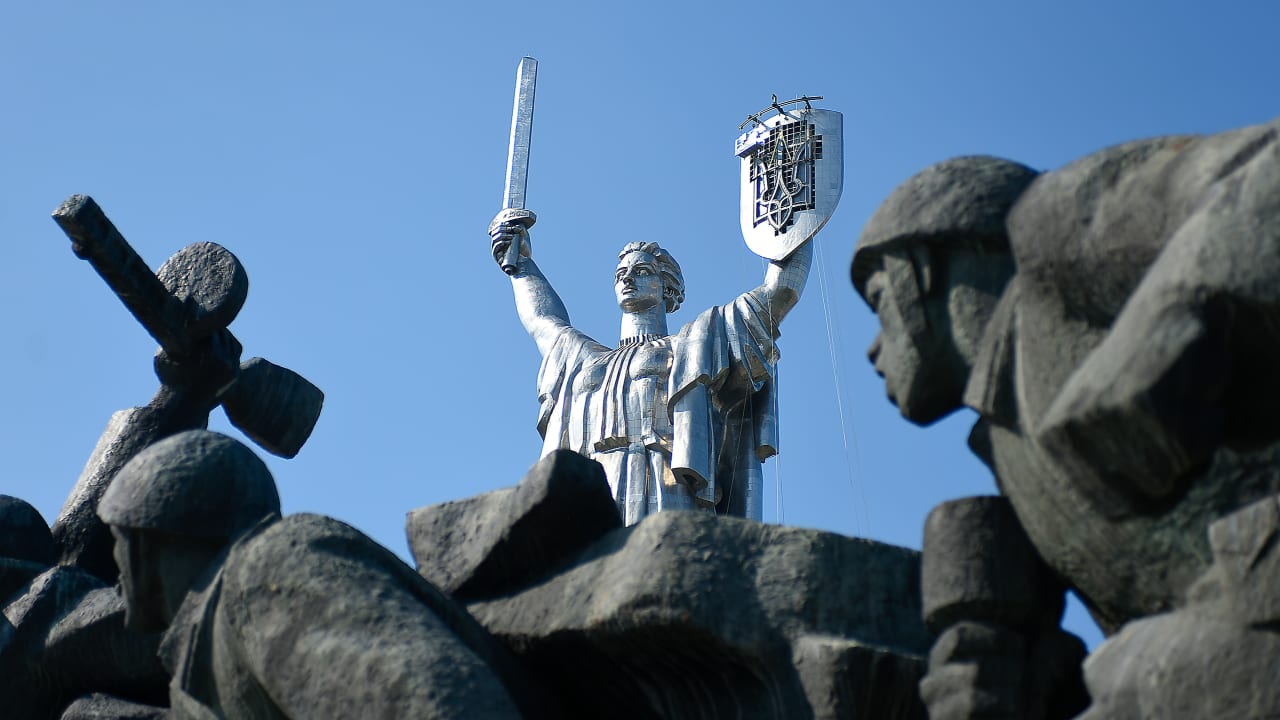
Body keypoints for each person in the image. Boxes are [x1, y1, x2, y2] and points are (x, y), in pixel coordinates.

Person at [97, 430, 535, 719]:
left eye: (115, 537)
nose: (111, 560)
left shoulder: (263, 567)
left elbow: (435, 701)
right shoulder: (192, 676)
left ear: (148, 533)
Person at [490, 209, 811, 524]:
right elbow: (543, 320)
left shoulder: (697, 342)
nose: (627, 278)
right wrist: (520, 263)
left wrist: (794, 209)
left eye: (641, 271)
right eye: (620, 274)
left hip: (667, 482)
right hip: (591, 485)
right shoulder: (582, 357)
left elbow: (780, 292)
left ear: (669, 288)